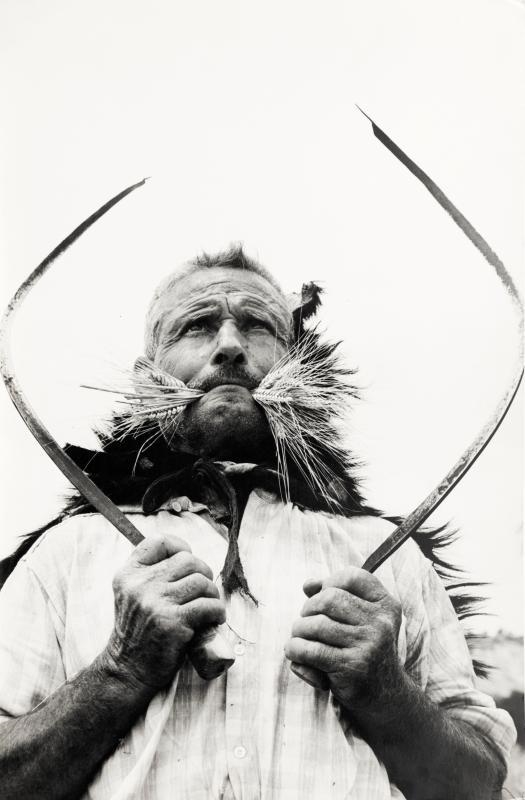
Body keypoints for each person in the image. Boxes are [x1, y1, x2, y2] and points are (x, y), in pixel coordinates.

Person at [0, 245, 516, 799]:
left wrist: (385, 690)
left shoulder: (386, 555)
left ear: (298, 373)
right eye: (197, 326)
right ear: (147, 382)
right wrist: (121, 669)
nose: (229, 346)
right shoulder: (66, 555)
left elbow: (481, 784)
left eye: (256, 326)